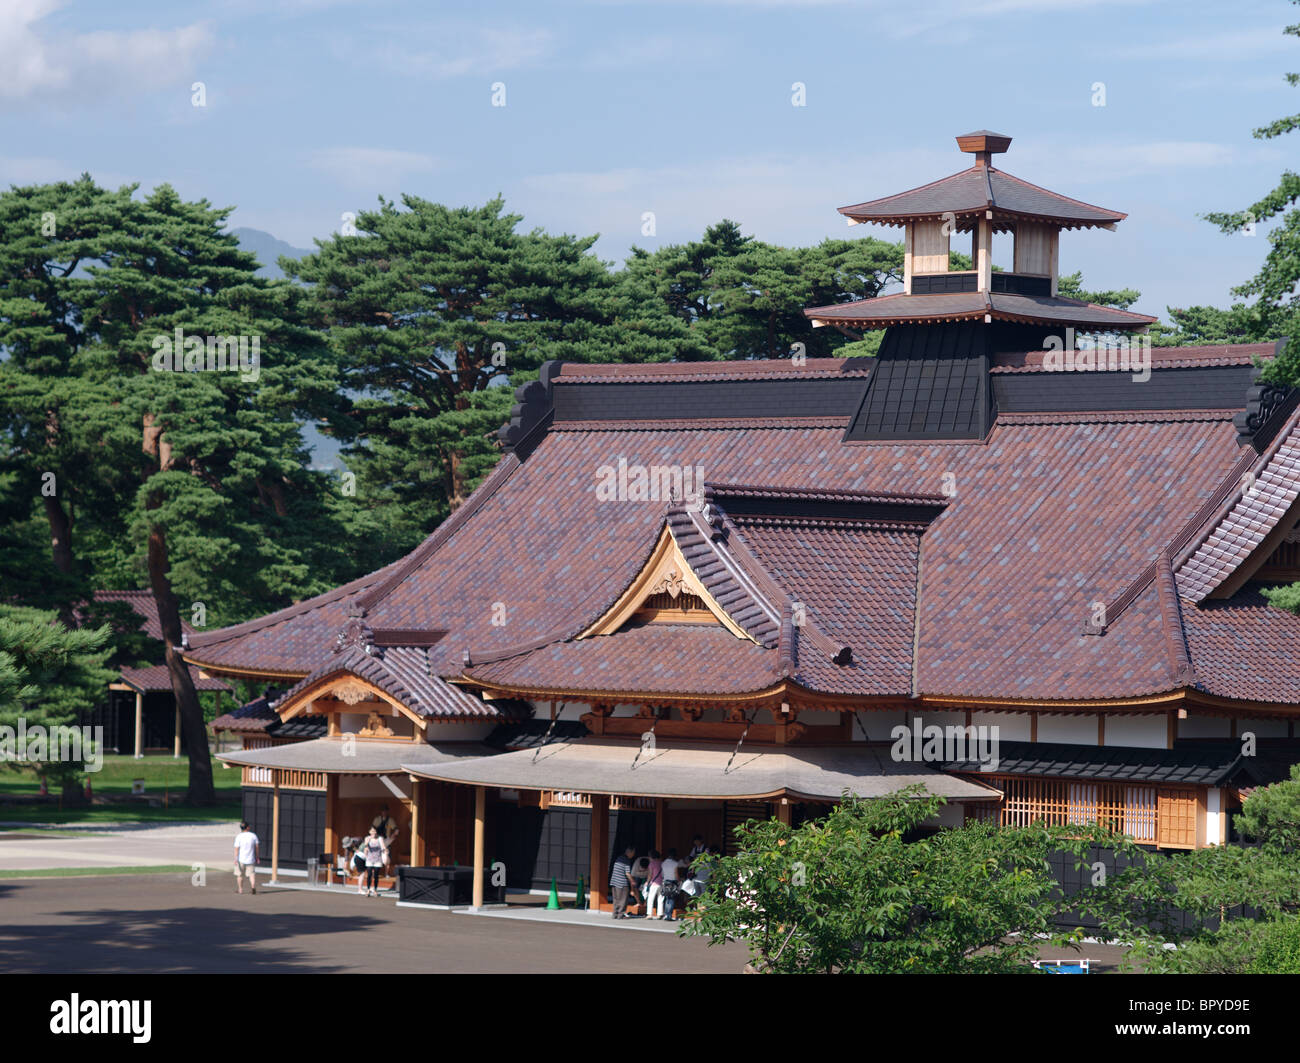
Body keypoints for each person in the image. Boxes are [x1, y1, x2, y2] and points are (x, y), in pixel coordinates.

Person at [609, 844, 636, 919]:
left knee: (615, 899)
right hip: (622, 883)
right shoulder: (626, 860)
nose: (633, 855)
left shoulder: (619, 858)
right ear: (630, 852)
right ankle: (620, 914)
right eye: (633, 853)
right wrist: (632, 881)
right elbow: (627, 873)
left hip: (614, 882)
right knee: (623, 900)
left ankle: (615, 914)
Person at [360, 826, 388, 897]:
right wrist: (368, 842)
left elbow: (383, 846)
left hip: (378, 859)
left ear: (376, 832)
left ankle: (375, 889)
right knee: (369, 875)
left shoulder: (380, 838)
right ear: (369, 832)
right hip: (369, 859)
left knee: (376, 875)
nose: (373, 833)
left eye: (374, 831)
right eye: (372, 831)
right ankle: (368, 889)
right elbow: (365, 847)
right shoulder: (367, 838)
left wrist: (385, 850)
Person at [233, 821, 259, 895]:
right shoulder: (253, 836)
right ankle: (253, 886)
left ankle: (240, 889)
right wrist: (257, 857)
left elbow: (236, 849)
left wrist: (235, 858)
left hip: (241, 859)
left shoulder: (239, 836)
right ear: (248, 827)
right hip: (251, 859)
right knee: (252, 874)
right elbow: (257, 847)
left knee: (239, 875)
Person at [660, 848, 681, 921]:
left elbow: (662, 873)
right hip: (672, 882)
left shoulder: (663, 863)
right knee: (672, 899)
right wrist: (679, 881)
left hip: (665, 881)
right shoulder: (675, 863)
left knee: (667, 898)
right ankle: (669, 915)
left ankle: (666, 914)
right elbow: (676, 874)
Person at [643, 849, 665, 919]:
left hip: (654, 883)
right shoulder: (661, 863)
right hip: (661, 883)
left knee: (650, 899)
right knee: (660, 899)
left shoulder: (652, 864)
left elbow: (650, 874)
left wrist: (647, 882)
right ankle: (660, 914)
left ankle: (650, 914)